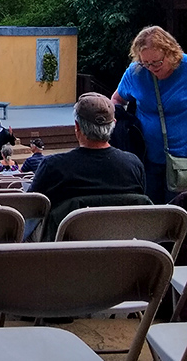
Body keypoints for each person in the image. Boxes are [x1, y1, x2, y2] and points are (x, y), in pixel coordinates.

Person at [28, 93, 146, 224]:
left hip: (66, 242)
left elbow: (32, 208)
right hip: (123, 239)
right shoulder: (133, 164)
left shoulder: (52, 166)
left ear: (77, 126)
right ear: (114, 124)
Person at [112, 25, 187, 204]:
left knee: (178, 217)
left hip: (183, 160)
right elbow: (116, 101)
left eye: (157, 62)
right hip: (147, 157)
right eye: (146, 63)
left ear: (171, 53)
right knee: (150, 213)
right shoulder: (136, 72)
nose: (151, 68)